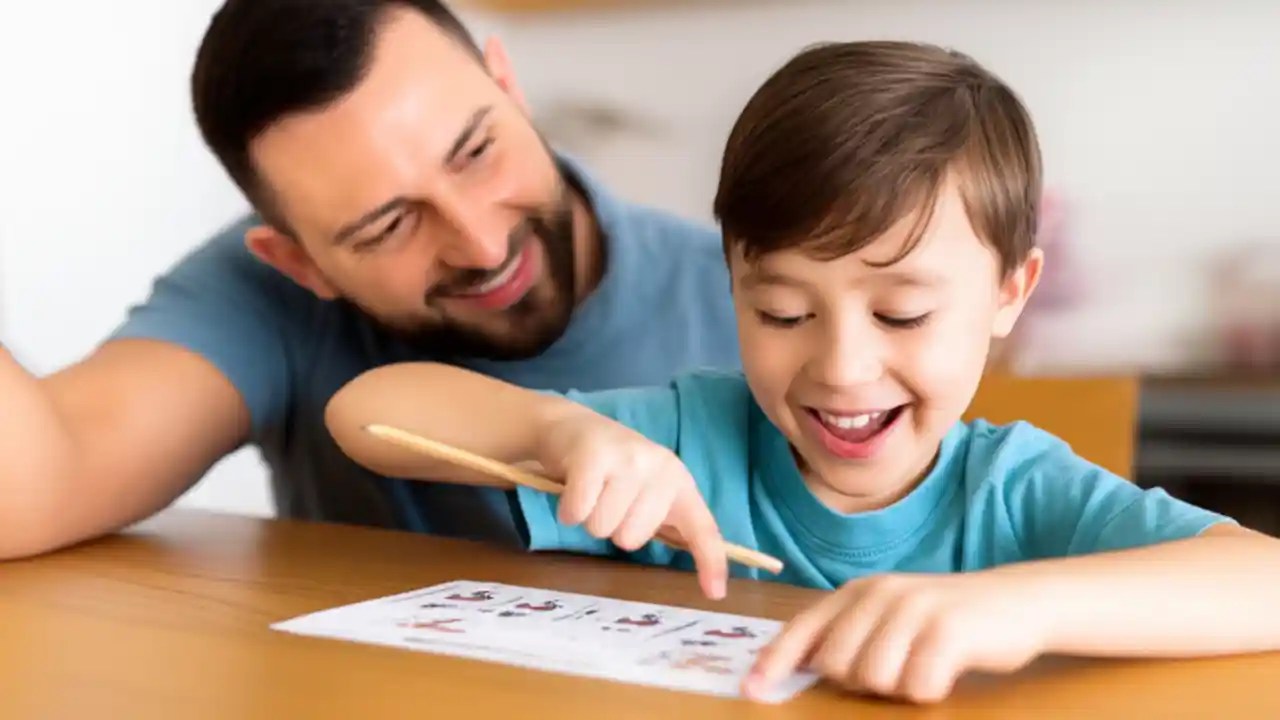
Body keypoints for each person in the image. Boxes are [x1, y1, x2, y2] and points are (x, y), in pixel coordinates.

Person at [325, 40, 1280, 704]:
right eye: (782, 312)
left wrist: (1015, 608)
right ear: (731, 281)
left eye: (902, 312)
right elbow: (365, 413)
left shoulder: (1016, 493)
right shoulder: (691, 441)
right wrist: (556, 433)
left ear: (1008, 293)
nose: (842, 365)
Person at [0, 0, 740, 561]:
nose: (482, 245)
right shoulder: (260, 295)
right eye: (389, 227)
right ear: (302, 264)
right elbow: (37, 483)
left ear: (509, 87)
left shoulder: (759, 304)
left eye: (477, 151)